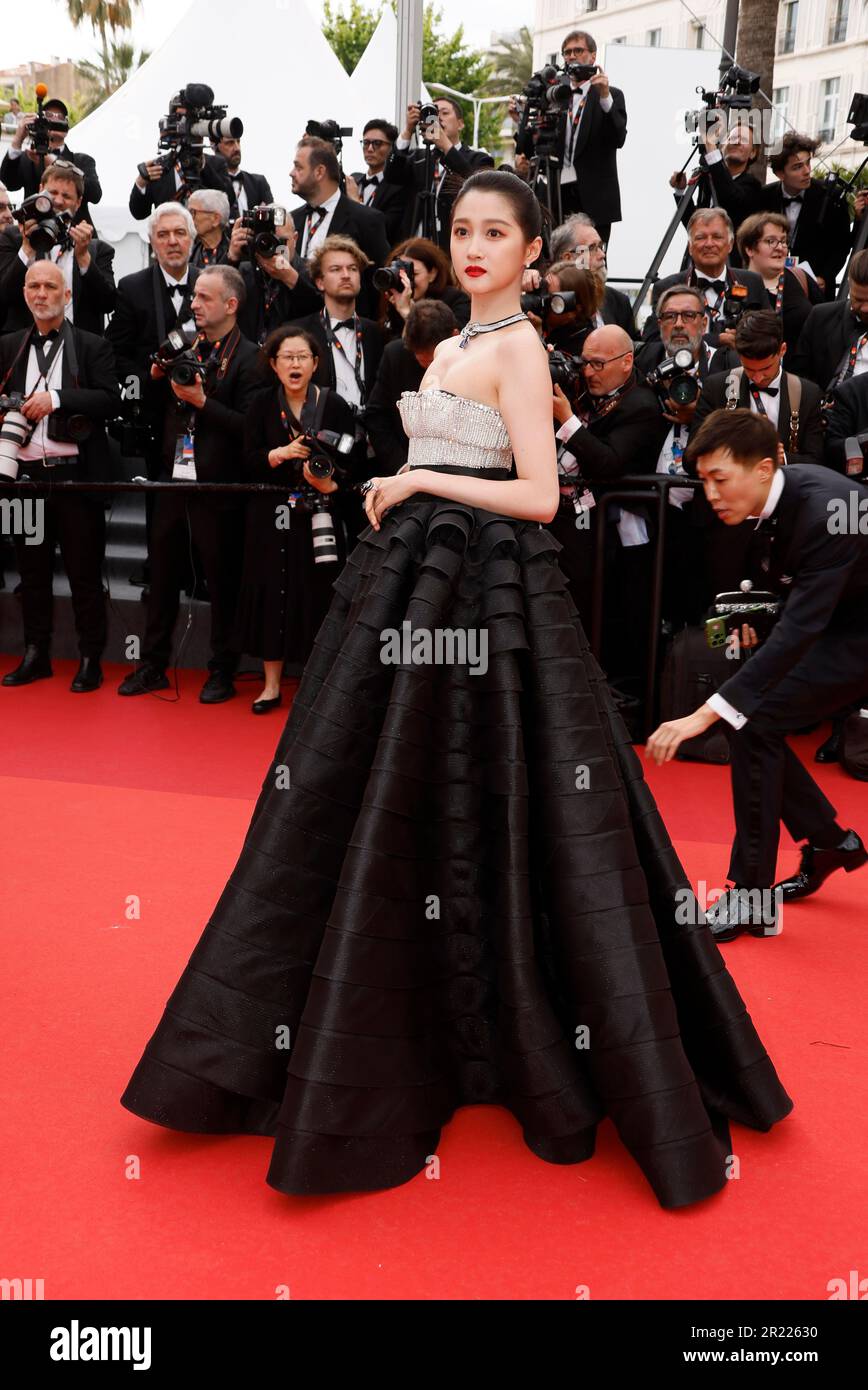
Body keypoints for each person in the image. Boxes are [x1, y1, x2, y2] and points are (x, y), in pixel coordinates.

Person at [121, 168, 792, 1210]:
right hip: (411, 586)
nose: (475, 247)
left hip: (487, 592)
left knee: (499, 787)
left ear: (530, 251)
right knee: (380, 791)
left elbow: (540, 493)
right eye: (463, 230)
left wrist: (418, 479)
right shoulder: (453, 346)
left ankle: (510, 1013)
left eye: (497, 234)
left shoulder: (518, 347)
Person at [648, 409, 868, 939]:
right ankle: (827, 843)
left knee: (747, 717)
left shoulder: (830, 509)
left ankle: (753, 893)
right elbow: (796, 599)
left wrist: (704, 713)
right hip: (840, 622)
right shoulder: (767, 504)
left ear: (764, 469)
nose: (710, 494)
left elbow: (801, 630)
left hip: (856, 634)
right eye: (703, 480)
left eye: (719, 479)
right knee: (752, 720)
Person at [116, 266, 262, 703]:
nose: (193, 304)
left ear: (231, 305)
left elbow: (250, 430)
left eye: (203, 297)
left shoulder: (251, 358)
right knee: (161, 579)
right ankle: (152, 665)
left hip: (220, 489)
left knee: (221, 582)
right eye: (194, 295)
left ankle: (222, 670)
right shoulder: (183, 345)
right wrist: (154, 379)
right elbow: (146, 405)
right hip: (172, 481)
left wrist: (202, 401)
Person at [0, 261, 120, 693]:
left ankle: (90, 658)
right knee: (30, 573)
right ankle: (36, 654)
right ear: (24, 294)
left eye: (50, 286)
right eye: (33, 286)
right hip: (23, 482)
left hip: (76, 482)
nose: (41, 293)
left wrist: (57, 398)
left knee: (84, 574)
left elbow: (110, 401)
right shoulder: (7, 345)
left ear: (67, 296)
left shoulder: (93, 344)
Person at [234, 326, 364, 711]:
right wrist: (279, 454)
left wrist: (329, 483)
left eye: (302, 357)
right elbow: (246, 460)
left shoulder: (334, 405)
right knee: (271, 589)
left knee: (317, 591)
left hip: (320, 511)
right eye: (287, 357)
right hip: (271, 513)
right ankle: (271, 685)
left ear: (315, 363)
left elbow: (354, 461)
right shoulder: (260, 404)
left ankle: (315, 682)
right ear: (274, 365)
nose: (295, 364)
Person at [515, 30, 626, 244]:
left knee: (589, 258)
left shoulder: (611, 94)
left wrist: (604, 96)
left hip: (595, 197)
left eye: (578, 50)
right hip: (557, 193)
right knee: (559, 255)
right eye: (567, 52)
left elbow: (618, 137)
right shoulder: (555, 96)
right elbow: (529, 149)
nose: (572, 56)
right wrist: (523, 120)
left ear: (593, 56)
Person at [692, 310, 824, 466]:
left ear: (782, 350)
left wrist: (783, 458)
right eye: (749, 369)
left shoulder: (807, 393)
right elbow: (691, 458)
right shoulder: (716, 387)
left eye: (766, 368)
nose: (757, 378)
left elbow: (817, 463)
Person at [0, 161, 116, 335]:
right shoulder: (13, 238)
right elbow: (3, 297)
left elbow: (108, 304)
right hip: (25, 345)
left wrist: (83, 258)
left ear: (78, 202)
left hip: (77, 347)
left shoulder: (97, 249)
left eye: (66, 196)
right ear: (41, 190)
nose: (59, 201)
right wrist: (27, 249)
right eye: (53, 193)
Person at [290, 137, 389, 318]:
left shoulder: (366, 220)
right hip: (297, 325)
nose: (291, 173)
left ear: (319, 172)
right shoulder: (292, 220)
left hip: (349, 327)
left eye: (298, 167)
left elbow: (379, 286)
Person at [645, 208, 766, 348]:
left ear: (730, 244)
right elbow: (652, 343)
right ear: (690, 247)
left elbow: (769, 333)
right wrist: (715, 340)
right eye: (700, 238)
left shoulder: (751, 282)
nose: (709, 244)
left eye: (717, 237)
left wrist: (744, 338)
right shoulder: (667, 287)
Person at [289, 235, 385, 410]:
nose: (346, 275)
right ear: (320, 282)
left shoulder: (376, 333)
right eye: (336, 269)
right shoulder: (298, 333)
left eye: (353, 269)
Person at [365, 299, 459, 474]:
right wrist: (402, 466)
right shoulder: (395, 355)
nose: (427, 366)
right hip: (408, 468)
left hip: (462, 472)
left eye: (432, 359)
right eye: (420, 358)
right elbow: (377, 416)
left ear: (455, 336)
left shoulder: (474, 361)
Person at [387, 98, 494, 251]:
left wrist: (445, 145)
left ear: (460, 124)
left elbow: (475, 184)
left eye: (444, 113)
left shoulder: (478, 159)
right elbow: (391, 175)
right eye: (434, 113)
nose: (438, 118)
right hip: (415, 248)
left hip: (452, 249)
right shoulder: (419, 158)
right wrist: (408, 130)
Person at [756, 133, 851, 300]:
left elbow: (841, 246)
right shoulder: (763, 196)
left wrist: (825, 277)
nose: (807, 171)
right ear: (780, 173)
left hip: (816, 291)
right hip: (771, 288)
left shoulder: (831, 196)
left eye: (808, 163)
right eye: (797, 167)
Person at [669, 119, 763, 264]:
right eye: (732, 138)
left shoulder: (752, 186)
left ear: (753, 153)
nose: (736, 142)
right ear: (723, 147)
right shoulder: (708, 179)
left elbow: (729, 197)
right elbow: (693, 223)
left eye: (743, 139)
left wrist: (711, 147)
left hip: (726, 265)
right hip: (695, 262)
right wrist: (680, 191)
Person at [1, 98, 101, 225]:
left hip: (75, 232)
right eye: (48, 116)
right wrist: (17, 140)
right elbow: (8, 183)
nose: (54, 119)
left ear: (66, 127)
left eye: (60, 117)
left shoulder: (82, 160)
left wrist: (54, 163)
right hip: (35, 231)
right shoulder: (29, 158)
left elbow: (95, 194)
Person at [736, 211, 824, 350]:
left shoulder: (800, 277)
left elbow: (825, 324)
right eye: (771, 241)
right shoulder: (736, 285)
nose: (780, 248)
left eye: (783, 241)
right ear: (750, 249)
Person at [788, 249, 868, 391]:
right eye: (858, 299)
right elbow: (798, 375)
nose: (865, 308)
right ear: (849, 285)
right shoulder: (821, 317)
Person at [547, 212, 634, 333]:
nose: (602, 255)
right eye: (592, 248)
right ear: (568, 258)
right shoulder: (549, 301)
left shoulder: (618, 302)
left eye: (601, 246)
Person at [378, 235, 470, 338]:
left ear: (432, 274)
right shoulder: (392, 301)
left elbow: (448, 341)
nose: (407, 280)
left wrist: (408, 313)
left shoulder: (455, 301)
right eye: (401, 274)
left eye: (413, 274)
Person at [347, 119, 407, 245]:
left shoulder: (398, 188)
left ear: (392, 147)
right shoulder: (353, 181)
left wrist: (356, 202)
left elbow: (385, 229)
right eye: (366, 143)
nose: (370, 149)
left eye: (377, 143)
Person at [204, 132, 273, 220]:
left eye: (238, 141)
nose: (237, 148)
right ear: (213, 145)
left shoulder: (259, 183)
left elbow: (271, 218)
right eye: (229, 143)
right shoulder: (206, 182)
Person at [188, 188, 232, 268]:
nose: (188, 218)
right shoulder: (188, 254)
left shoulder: (235, 254)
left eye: (193, 212)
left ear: (216, 219)